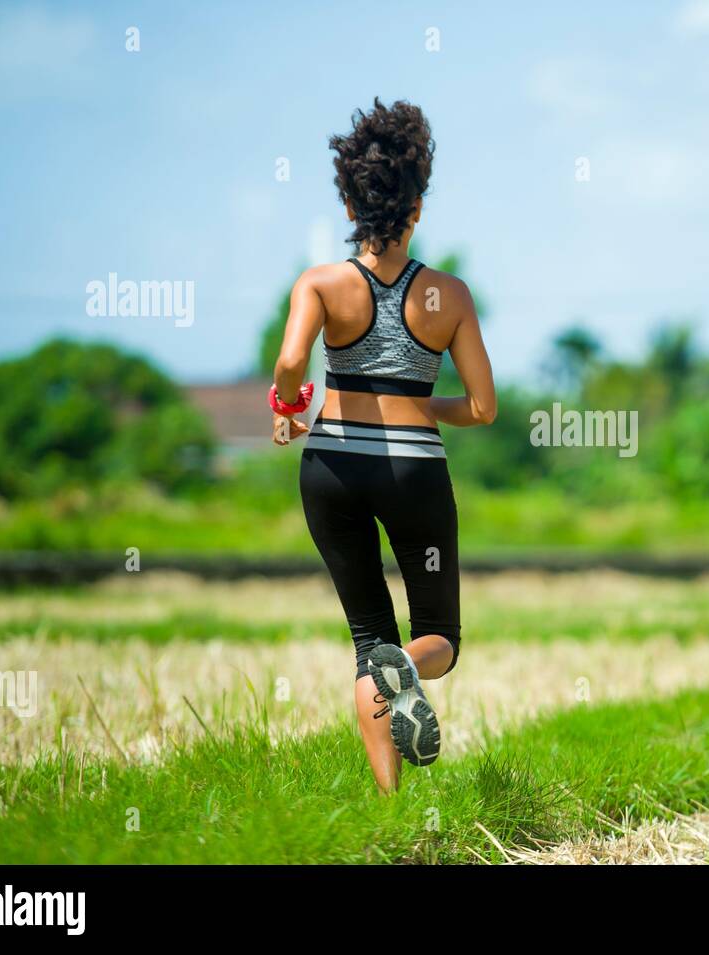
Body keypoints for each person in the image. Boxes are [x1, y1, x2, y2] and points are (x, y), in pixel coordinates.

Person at [269, 98, 496, 792]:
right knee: (439, 637)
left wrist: (288, 405)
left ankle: (389, 805)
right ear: (417, 205)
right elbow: (484, 408)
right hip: (414, 472)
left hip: (330, 470)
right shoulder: (448, 295)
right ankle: (405, 659)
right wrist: (420, 404)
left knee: (368, 639)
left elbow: (288, 362)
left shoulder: (321, 283)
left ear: (349, 200)